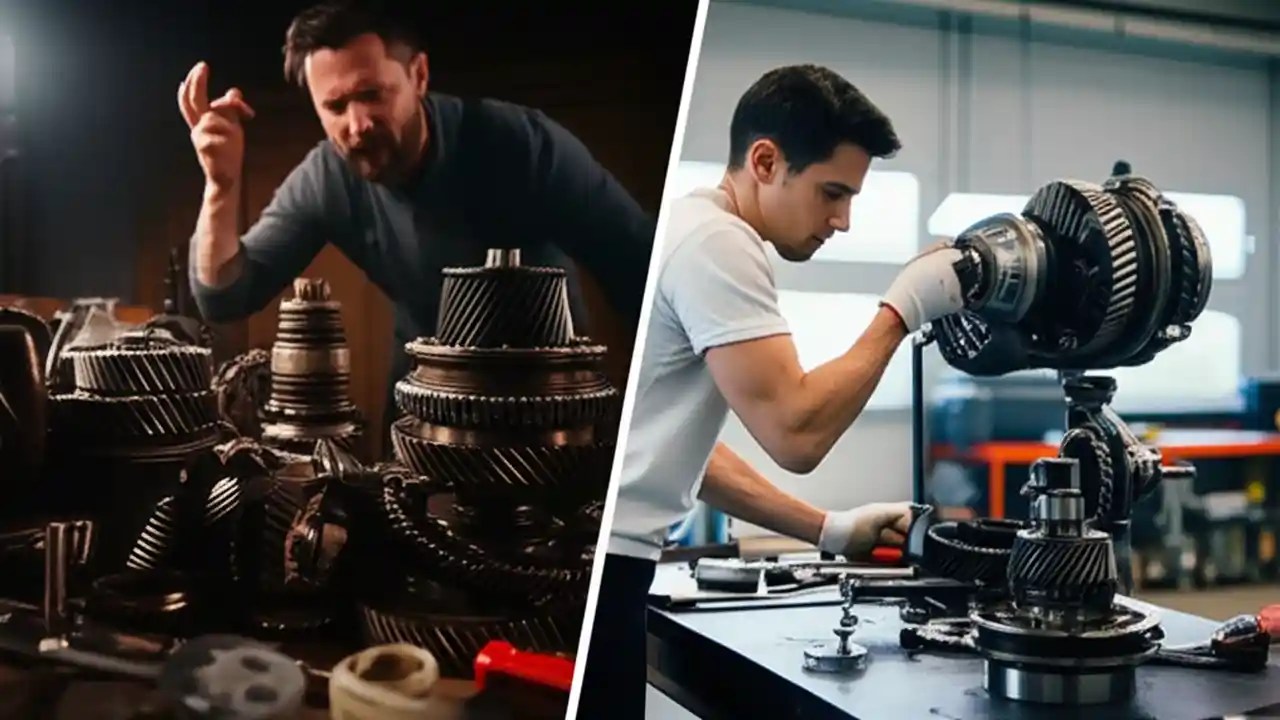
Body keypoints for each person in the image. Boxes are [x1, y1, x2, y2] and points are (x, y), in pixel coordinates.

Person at [576, 64, 967, 717]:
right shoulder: (719, 242)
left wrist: (827, 529)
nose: (842, 220)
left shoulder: (689, 229)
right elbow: (797, 433)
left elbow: (664, 452)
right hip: (609, 572)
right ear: (765, 161)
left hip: (610, 561)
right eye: (831, 193)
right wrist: (903, 309)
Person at [177, 0, 654, 439]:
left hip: (549, 406)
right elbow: (225, 295)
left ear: (419, 75)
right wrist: (220, 185)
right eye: (336, 106)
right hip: (421, 403)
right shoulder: (327, 177)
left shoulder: (523, 144)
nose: (358, 124)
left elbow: (642, 272)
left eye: (372, 94)